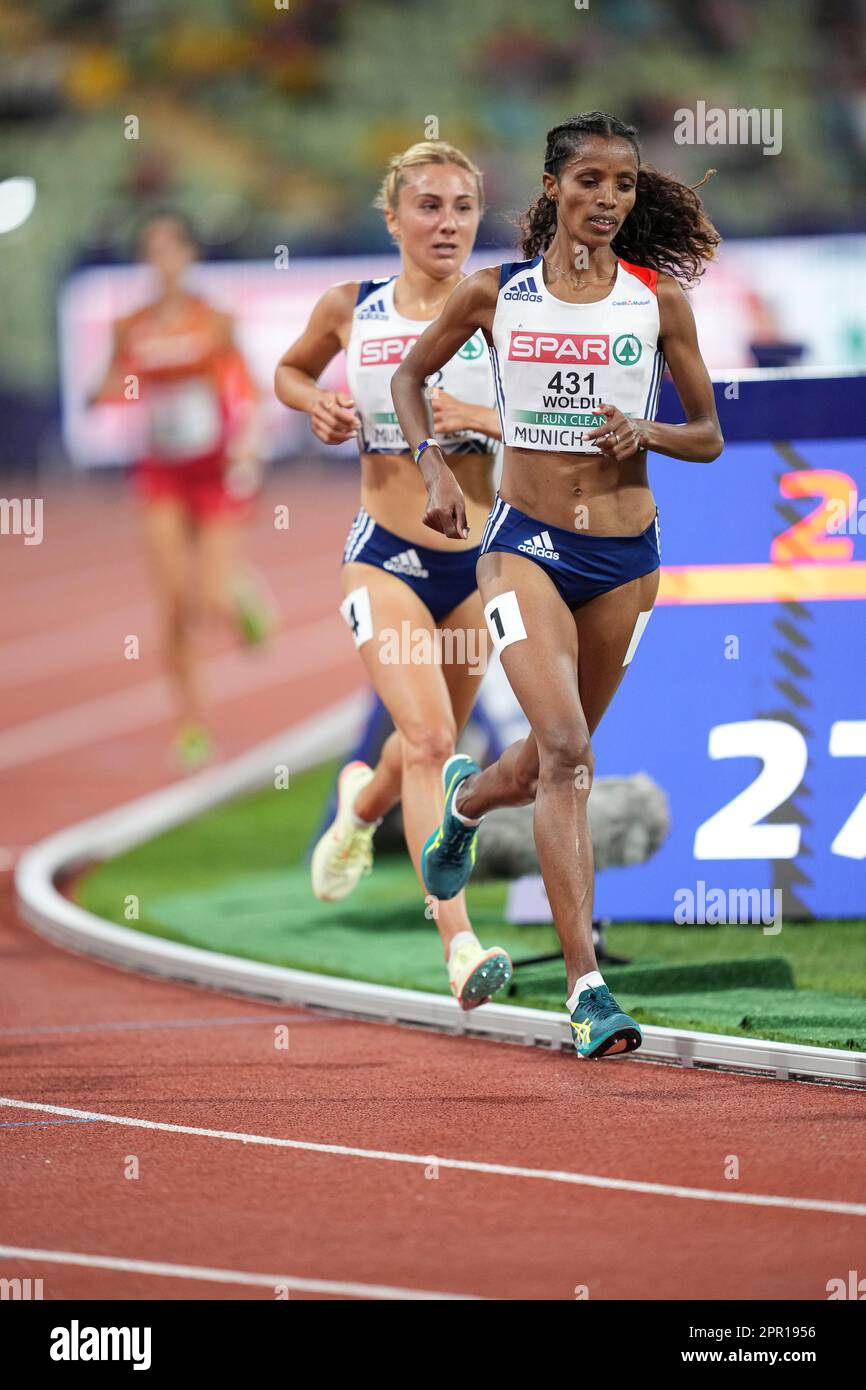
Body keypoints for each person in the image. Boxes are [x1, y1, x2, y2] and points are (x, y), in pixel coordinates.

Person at [391, 112, 723, 1058]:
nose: (608, 201)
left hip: (626, 558)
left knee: (544, 765)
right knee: (569, 749)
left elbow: (707, 434)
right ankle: (587, 991)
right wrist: (435, 471)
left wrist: (646, 432)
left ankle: (462, 804)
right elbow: (412, 379)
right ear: (554, 191)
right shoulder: (498, 297)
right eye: (590, 183)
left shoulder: (657, 304)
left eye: (622, 185)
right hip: (524, 546)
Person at [275, 141, 512, 1011]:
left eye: (461, 207)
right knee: (433, 744)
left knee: (427, 743)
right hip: (386, 559)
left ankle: (361, 808)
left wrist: (479, 415)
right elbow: (290, 371)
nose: (446, 222)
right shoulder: (353, 309)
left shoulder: (500, 309)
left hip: (480, 563)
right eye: (428, 205)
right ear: (393, 218)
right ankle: (457, 945)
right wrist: (317, 404)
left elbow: (552, 419)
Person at [91, 211, 268, 769]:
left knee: (209, 600)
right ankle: (192, 725)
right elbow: (109, 383)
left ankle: (237, 595)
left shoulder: (213, 320)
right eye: (152, 250)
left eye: (172, 249)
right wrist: (102, 394)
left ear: (189, 256)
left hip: (213, 467)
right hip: (160, 471)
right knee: (173, 602)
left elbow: (251, 389)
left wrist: (247, 443)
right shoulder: (131, 324)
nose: (162, 260)